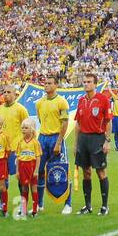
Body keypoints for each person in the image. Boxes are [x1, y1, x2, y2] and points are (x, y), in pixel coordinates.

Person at [74, 73, 112, 215]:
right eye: (84, 82)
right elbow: (78, 123)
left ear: (95, 84)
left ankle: (104, 206)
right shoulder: (81, 100)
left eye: (89, 82)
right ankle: (88, 205)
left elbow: (108, 122)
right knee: (86, 173)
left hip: (97, 138)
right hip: (83, 139)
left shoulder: (103, 99)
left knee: (101, 172)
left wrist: (107, 141)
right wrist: (76, 144)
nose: (86, 84)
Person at [35, 75, 73, 214]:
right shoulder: (39, 103)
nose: (46, 85)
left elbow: (64, 123)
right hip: (43, 138)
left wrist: (58, 142)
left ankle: (68, 204)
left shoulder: (61, 102)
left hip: (56, 138)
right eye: (45, 83)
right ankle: (39, 203)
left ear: (56, 85)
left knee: (61, 169)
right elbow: (40, 119)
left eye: (50, 83)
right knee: (39, 170)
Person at [16, 118, 42, 218]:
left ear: (32, 129)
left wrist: (36, 170)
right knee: (24, 188)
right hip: (23, 167)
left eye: (26, 128)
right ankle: (24, 210)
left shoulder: (35, 143)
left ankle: (35, 210)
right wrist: (18, 171)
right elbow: (18, 158)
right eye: (22, 128)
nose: (23, 130)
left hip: (32, 166)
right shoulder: (20, 142)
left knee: (34, 188)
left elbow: (38, 157)